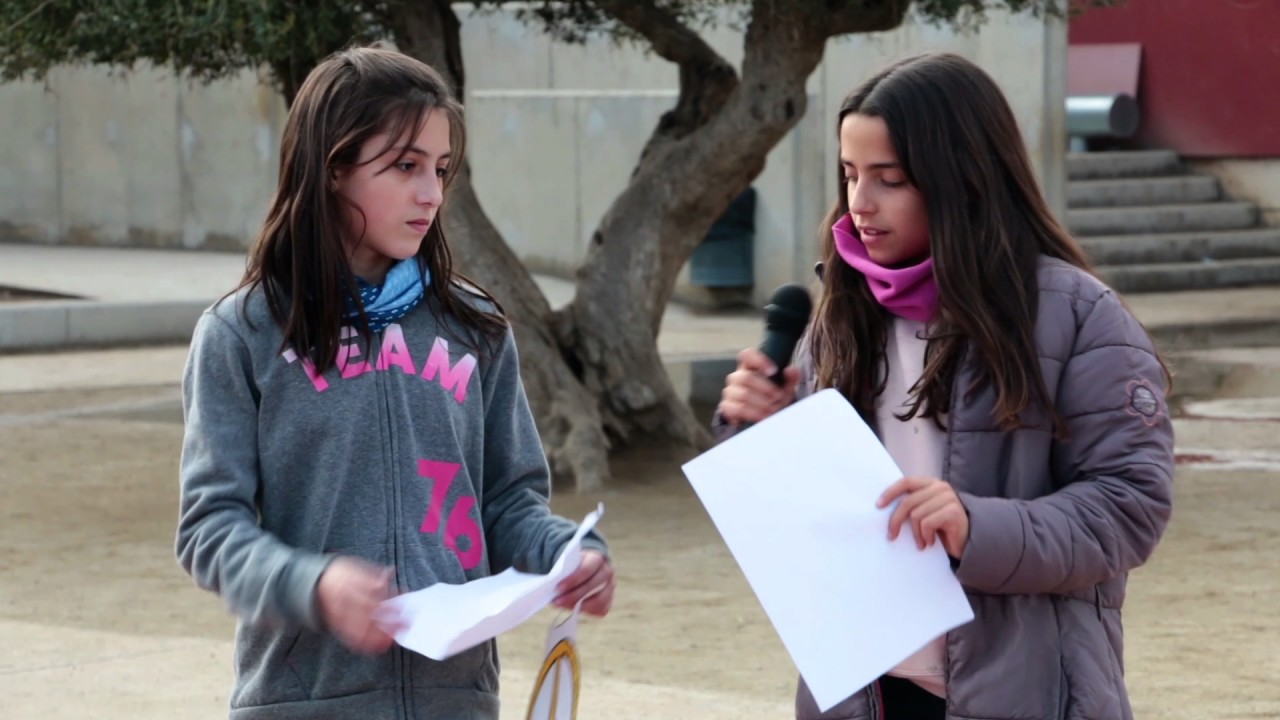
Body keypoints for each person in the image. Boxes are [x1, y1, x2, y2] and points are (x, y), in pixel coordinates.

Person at [716, 52, 1174, 720]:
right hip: (860, 693)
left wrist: (975, 526)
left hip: (1026, 695)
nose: (859, 204)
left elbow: (1130, 507)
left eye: (890, 179)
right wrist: (764, 431)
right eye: (849, 175)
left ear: (963, 178)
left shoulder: (1078, 316)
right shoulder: (839, 315)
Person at [175, 46, 615, 720]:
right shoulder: (243, 334)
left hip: (456, 702)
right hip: (302, 702)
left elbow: (508, 502)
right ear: (333, 169)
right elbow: (209, 529)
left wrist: (567, 553)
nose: (432, 193)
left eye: (441, 169)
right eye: (405, 166)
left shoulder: (478, 327)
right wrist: (314, 583)